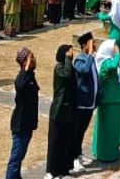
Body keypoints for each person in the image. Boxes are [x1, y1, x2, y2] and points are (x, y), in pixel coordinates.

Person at [5, 47, 39, 179]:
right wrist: (26, 67)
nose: (34, 59)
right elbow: (19, 85)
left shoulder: (30, 76)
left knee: (20, 156)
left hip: (27, 123)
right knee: (16, 158)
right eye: (31, 57)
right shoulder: (22, 77)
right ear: (25, 61)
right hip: (20, 125)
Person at [45, 44, 77, 179]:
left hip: (69, 110)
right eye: (70, 52)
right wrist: (68, 59)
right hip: (59, 111)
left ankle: (63, 169)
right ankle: (51, 170)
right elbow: (67, 75)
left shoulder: (70, 67)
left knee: (66, 141)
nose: (72, 54)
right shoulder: (59, 67)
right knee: (55, 141)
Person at [71, 31, 99, 173]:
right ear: (84, 45)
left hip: (90, 103)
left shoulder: (91, 58)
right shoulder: (80, 60)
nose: (94, 45)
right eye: (91, 43)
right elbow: (85, 70)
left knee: (82, 131)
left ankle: (79, 154)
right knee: (77, 132)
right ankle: (73, 158)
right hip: (81, 103)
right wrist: (90, 54)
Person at [91, 39, 120, 163]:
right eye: (114, 47)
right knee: (108, 129)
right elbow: (114, 65)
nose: (115, 48)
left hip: (113, 100)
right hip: (109, 100)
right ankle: (106, 154)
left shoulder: (107, 62)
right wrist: (118, 53)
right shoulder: (105, 63)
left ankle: (110, 151)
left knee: (112, 129)